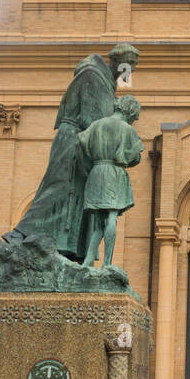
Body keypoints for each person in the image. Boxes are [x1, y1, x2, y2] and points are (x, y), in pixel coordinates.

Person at [12, 43, 139, 260]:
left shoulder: (107, 82)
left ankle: (69, 251)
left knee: (77, 197)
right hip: (73, 140)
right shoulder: (93, 75)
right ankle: (20, 234)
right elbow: (92, 117)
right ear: (119, 62)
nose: (131, 71)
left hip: (85, 145)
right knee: (58, 187)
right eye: (131, 65)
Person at [78, 95, 143, 268]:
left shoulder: (96, 125)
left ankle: (88, 260)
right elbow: (134, 157)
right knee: (111, 216)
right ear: (130, 111)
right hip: (114, 172)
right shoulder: (127, 129)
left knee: (98, 222)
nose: (134, 119)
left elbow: (82, 144)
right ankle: (107, 263)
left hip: (96, 171)